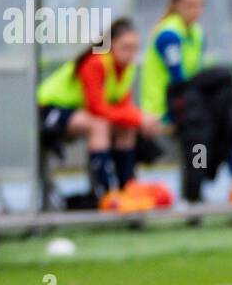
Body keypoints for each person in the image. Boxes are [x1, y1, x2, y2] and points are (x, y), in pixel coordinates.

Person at [141, 0, 232, 204]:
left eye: (200, 5)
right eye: (190, 5)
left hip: (192, 102)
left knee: (231, 112)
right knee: (220, 99)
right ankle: (198, 189)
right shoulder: (169, 35)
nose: (196, 10)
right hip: (167, 107)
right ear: (176, 5)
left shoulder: (196, 33)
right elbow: (180, 79)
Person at [37, 17, 163, 209]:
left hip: (78, 112)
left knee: (125, 127)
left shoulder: (127, 68)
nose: (131, 53)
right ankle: (103, 192)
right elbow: (97, 108)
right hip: (50, 109)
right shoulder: (96, 62)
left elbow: (123, 106)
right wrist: (139, 118)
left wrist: (143, 119)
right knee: (99, 125)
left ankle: (127, 187)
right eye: (125, 47)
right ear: (111, 45)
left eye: (134, 48)